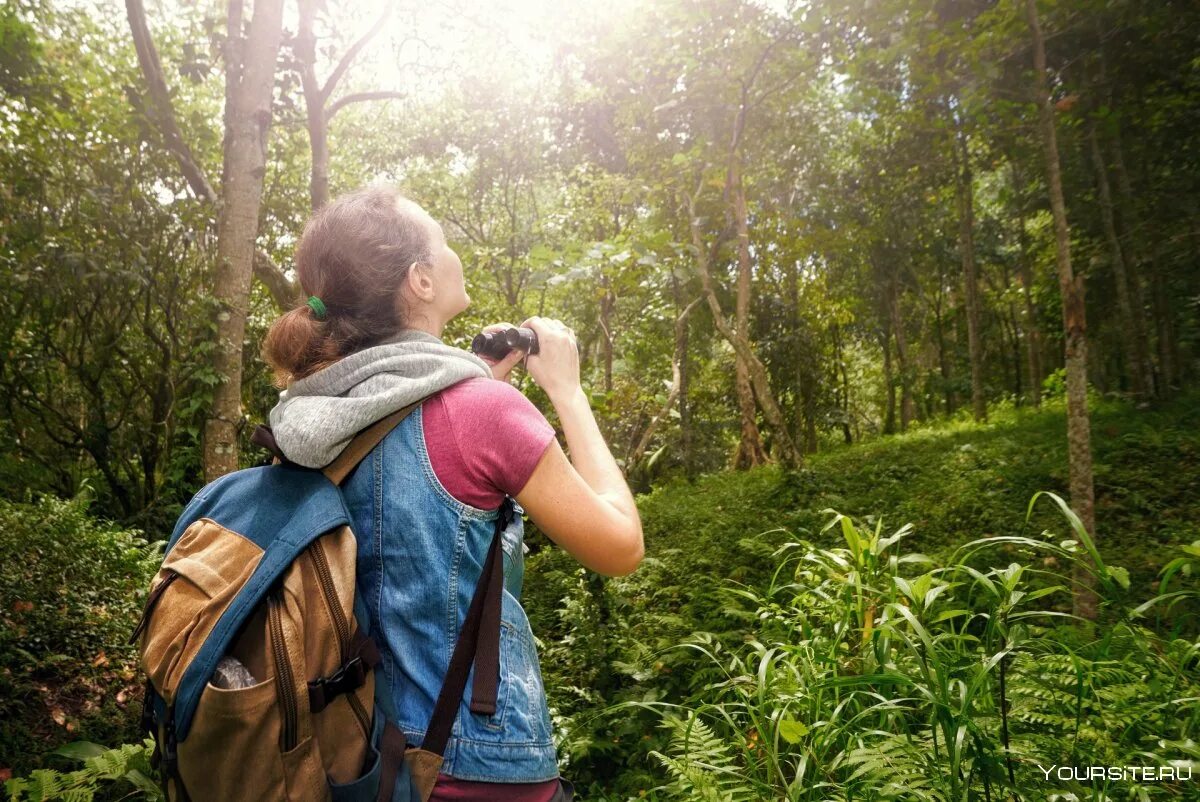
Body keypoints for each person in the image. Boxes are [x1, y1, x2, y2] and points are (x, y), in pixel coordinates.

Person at [259, 184, 644, 801]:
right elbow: (620, 547)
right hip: (472, 769)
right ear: (421, 281)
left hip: (354, 761)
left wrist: (470, 383)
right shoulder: (483, 413)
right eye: (441, 241)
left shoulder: (309, 414)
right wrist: (567, 392)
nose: (451, 251)